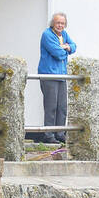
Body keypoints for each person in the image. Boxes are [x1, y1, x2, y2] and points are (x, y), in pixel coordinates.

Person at [38, 12, 76, 143]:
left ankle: (60, 133)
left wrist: (67, 47)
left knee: (62, 106)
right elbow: (57, 53)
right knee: (51, 106)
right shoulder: (47, 35)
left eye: (62, 23)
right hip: (49, 74)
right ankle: (48, 135)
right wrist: (66, 49)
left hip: (61, 75)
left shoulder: (64, 35)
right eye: (58, 23)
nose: (60, 25)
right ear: (52, 23)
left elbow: (74, 46)